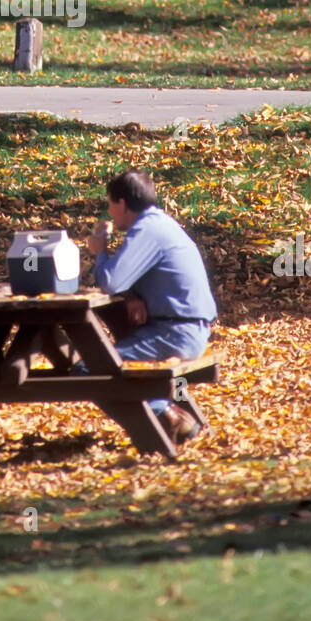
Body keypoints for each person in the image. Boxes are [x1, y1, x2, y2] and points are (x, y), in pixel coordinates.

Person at [86, 168, 217, 447]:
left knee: (88, 371)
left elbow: (110, 280)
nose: (109, 212)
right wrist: (132, 295)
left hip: (177, 332)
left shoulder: (146, 230)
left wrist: (100, 252)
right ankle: (168, 414)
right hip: (187, 327)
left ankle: (165, 416)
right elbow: (131, 277)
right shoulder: (159, 224)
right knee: (104, 364)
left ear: (122, 203)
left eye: (110, 204)